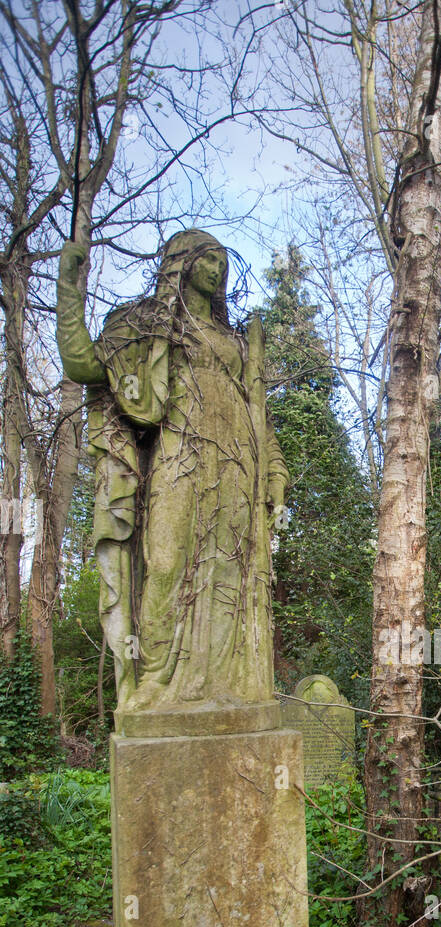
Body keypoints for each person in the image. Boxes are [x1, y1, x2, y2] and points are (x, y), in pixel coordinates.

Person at [56, 229, 288, 718]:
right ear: (182, 264)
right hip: (181, 457)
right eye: (209, 260)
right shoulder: (149, 327)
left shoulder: (238, 341)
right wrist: (68, 288)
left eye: (224, 262)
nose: (218, 270)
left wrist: (274, 478)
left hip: (237, 466)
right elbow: (84, 364)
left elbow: (260, 416)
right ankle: (155, 684)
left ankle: (230, 690)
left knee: (232, 574)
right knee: (164, 565)